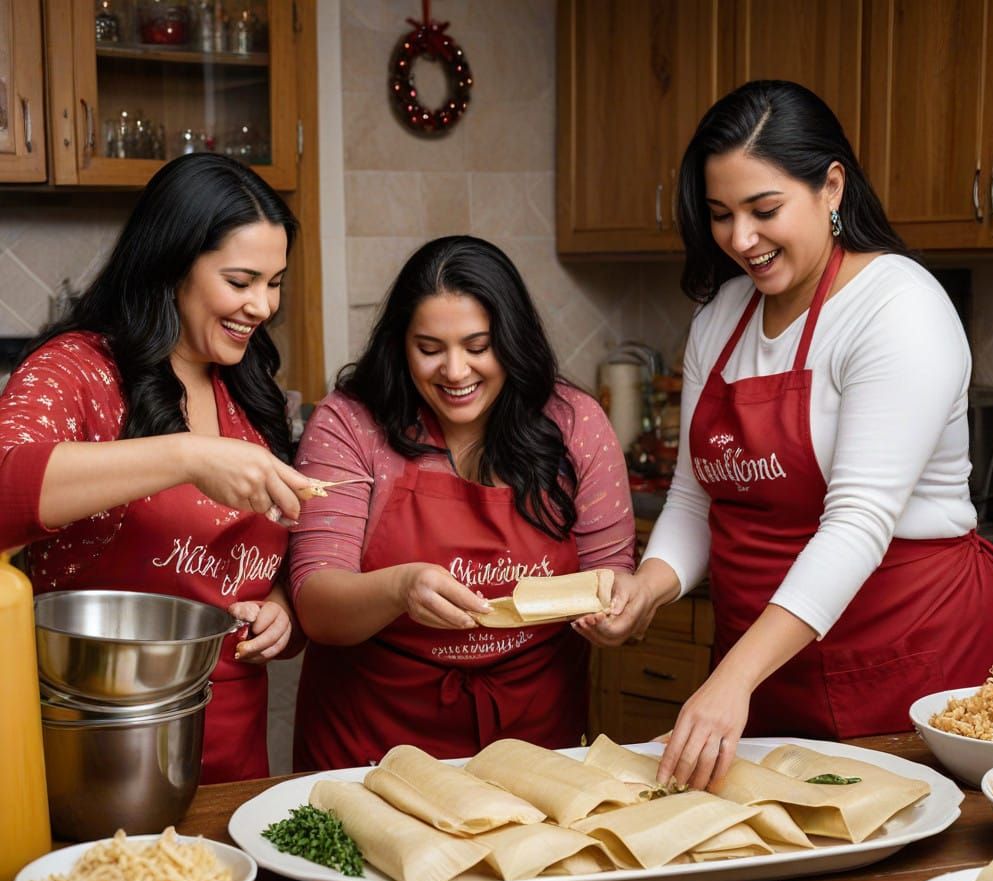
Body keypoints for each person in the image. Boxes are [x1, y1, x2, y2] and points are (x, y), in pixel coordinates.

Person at [576, 80, 993, 791]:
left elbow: (857, 524)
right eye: (721, 215)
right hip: (771, 671)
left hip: (907, 660)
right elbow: (694, 501)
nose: (740, 239)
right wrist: (647, 590)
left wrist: (731, 677)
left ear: (832, 187)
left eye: (764, 209)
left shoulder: (897, 308)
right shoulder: (722, 315)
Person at [0, 152, 317, 783]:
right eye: (240, 280)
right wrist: (185, 455)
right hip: (97, 752)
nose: (262, 306)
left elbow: (268, 559)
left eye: (274, 283)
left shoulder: (249, 388)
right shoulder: (79, 371)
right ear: (171, 266)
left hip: (235, 760)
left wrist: (282, 606)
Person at [289, 235, 635, 770]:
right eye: (429, 349)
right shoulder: (350, 424)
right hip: (372, 743)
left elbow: (612, 575)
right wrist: (401, 588)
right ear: (400, 344)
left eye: (478, 347)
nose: (454, 372)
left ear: (513, 341)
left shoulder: (575, 422)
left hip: (536, 741)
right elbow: (316, 605)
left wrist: (619, 614)